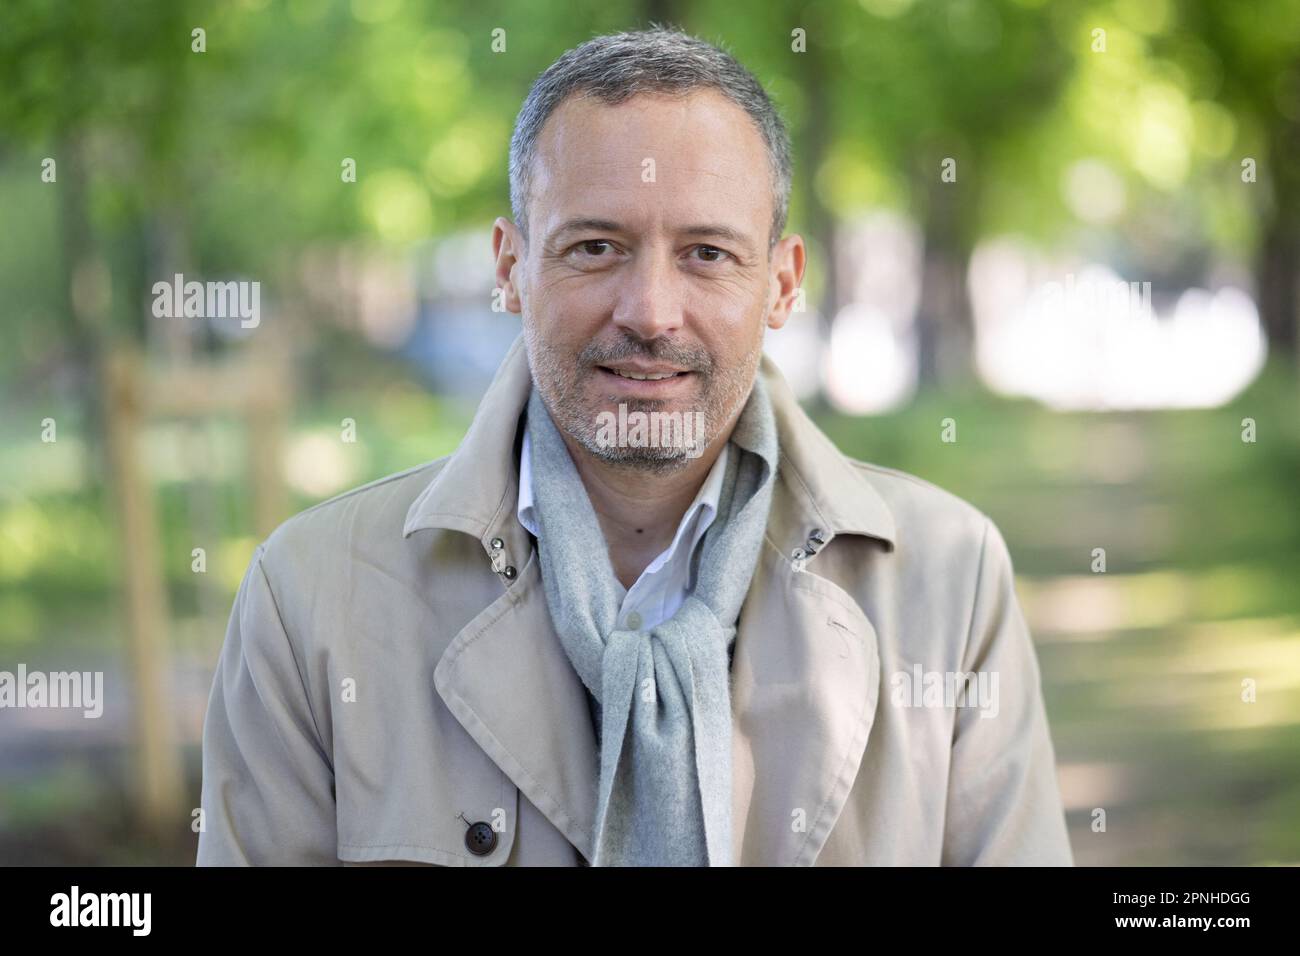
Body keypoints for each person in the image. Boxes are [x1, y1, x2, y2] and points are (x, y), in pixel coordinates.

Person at [197, 26, 1073, 866]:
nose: (650, 312)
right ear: (511, 269)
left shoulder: (950, 583)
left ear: (783, 283)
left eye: (706, 253)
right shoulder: (309, 600)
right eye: (595, 247)